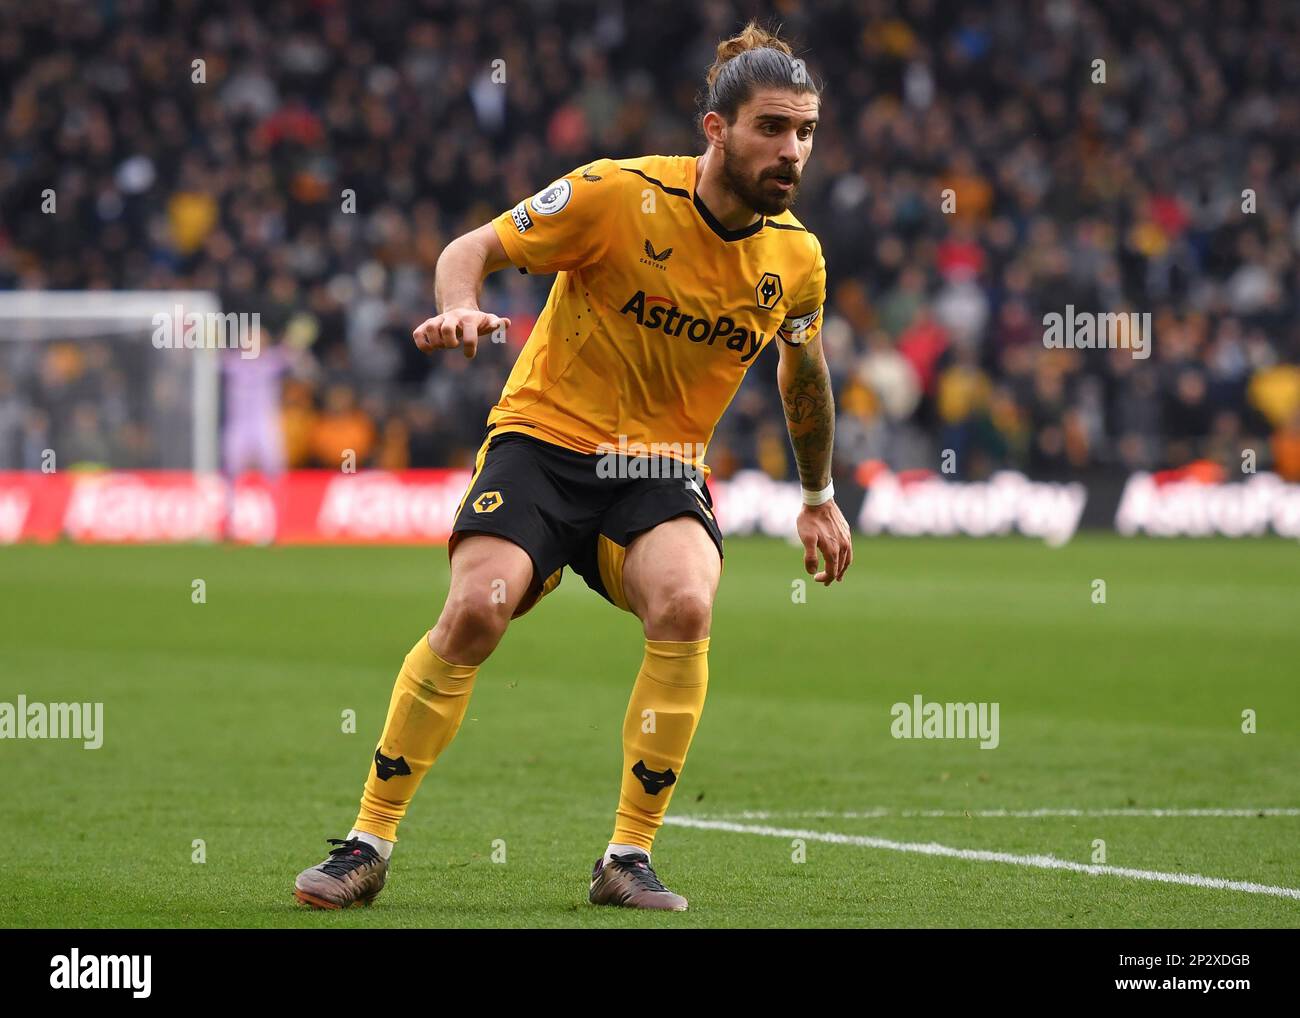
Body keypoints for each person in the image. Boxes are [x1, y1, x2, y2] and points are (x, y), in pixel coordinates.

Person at [293, 21, 852, 913]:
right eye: (773, 128)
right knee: (477, 611)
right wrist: (457, 309)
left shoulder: (798, 260)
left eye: (806, 132)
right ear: (716, 128)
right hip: (545, 441)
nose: (793, 151)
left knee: (688, 601)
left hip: (661, 466)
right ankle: (368, 840)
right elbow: (468, 249)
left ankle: (626, 858)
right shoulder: (612, 194)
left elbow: (803, 370)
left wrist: (819, 495)